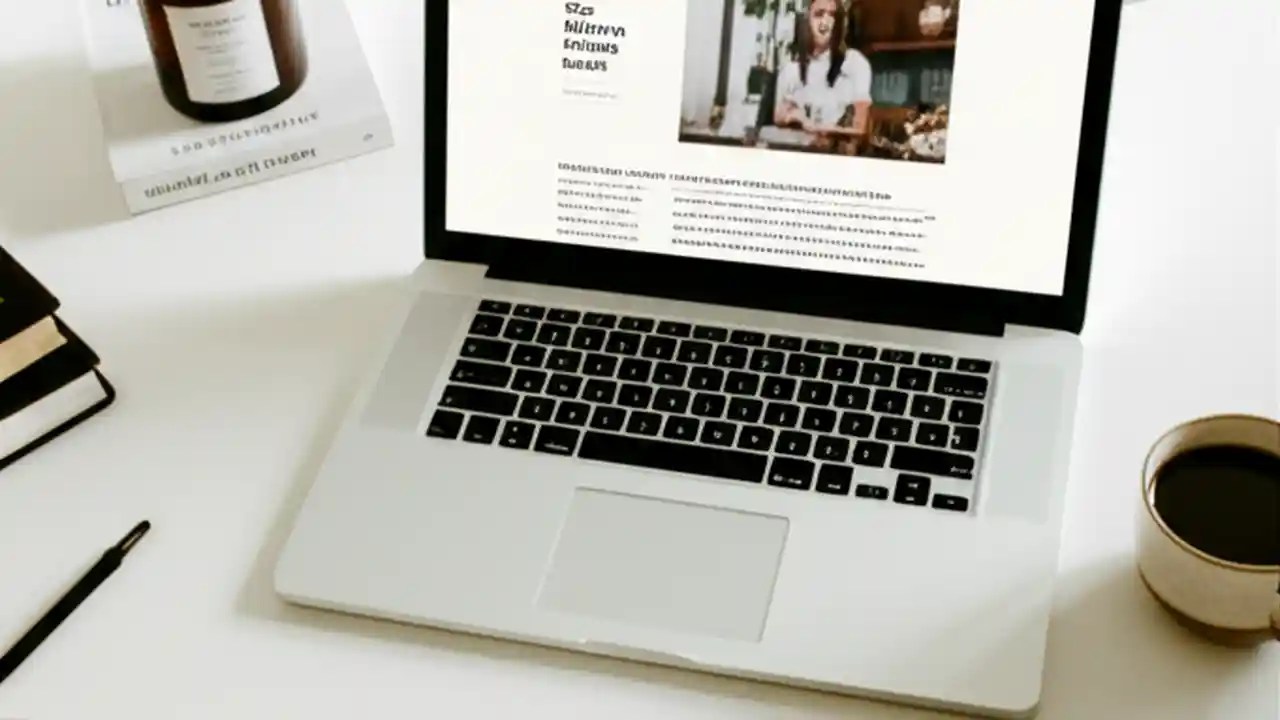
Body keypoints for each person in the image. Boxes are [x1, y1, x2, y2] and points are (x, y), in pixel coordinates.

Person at [773, 0, 873, 137]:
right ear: (807, 20)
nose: (824, 22)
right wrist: (797, 118)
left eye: (831, 15)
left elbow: (860, 128)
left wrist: (816, 129)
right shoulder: (791, 71)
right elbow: (779, 118)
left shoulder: (855, 63)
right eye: (819, 14)